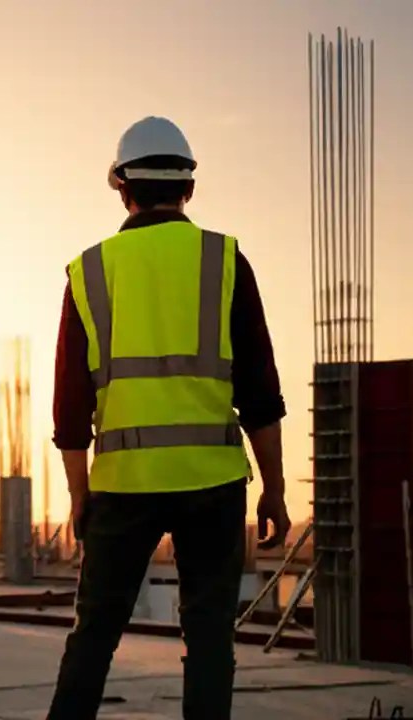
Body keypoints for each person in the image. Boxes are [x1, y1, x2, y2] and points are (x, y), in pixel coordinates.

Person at [47, 116, 291, 720]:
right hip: (212, 484)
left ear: (122, 188)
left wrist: (80, 494)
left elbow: (70, 409)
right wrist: (276, 489)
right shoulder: (226, 261)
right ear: (188, 188)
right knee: (210, 637)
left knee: (94, 636)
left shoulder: (90, 272)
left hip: (123, 486)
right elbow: (260, 391)